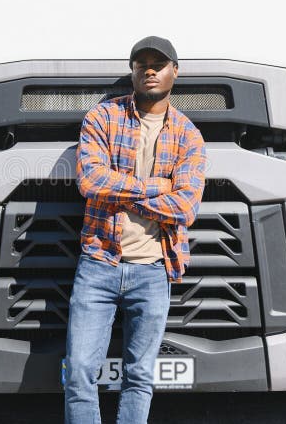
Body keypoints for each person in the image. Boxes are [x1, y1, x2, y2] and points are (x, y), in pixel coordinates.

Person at [64, 36, 207, 423]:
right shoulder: (103, 118)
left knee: (140, 376)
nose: (150, 70)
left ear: (175, 71)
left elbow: (185, 206)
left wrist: (124, 195)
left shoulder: (188, 135)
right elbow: (91, 181)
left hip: (153, 270)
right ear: (132, 72)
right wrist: (156, 187)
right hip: (99, 263)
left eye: (158, 64)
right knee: (78, 371)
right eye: (142, 64)